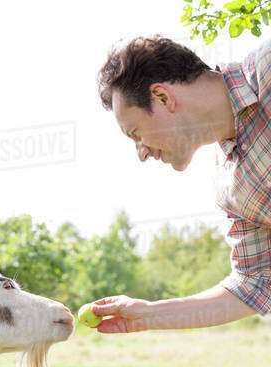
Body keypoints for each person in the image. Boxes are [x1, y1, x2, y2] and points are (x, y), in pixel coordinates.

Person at [92, 35, 271, 334]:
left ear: (162, 97)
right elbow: (255, 283)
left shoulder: (266, 70)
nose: (142, 153)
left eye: (135, 133)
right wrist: (148, 315)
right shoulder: (232, 190)